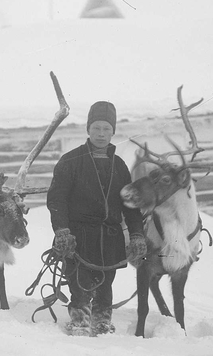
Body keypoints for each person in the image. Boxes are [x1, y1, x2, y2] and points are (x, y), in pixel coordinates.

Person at [46, 100, 148, 337]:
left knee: (105, 282)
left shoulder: (119, 166)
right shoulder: (70, 161)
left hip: (109, 237)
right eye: (96, 129)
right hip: (78, 235)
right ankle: (80, 320)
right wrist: (62, 231)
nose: (101, 134)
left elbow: (130, 206)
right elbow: (56, 199)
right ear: (88, 130)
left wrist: (136, 235)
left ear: (113, 132)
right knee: (79, 281)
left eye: (106, 129)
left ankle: (102, 320)